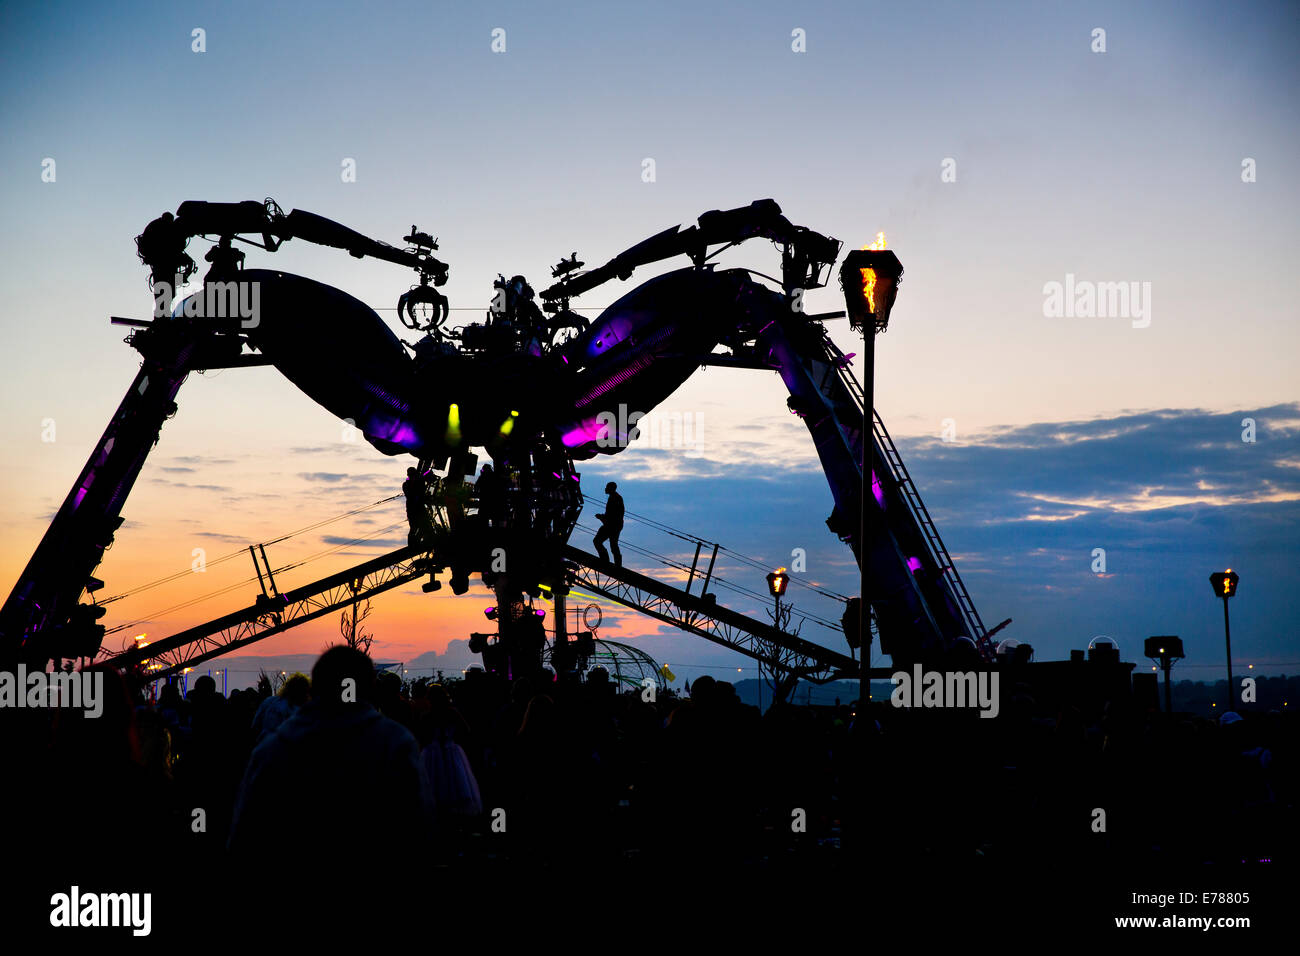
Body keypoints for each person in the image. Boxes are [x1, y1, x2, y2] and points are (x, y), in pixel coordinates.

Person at [593, 481, 623, 566]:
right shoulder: (615, 497)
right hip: (614, 525)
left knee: (598, 541)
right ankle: (616, 564)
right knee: (613, 544)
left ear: (611, 488)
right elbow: (612, 514)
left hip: (612, 525)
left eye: (607, 487)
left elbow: (613, 515)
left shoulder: (615, 498)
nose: (605, 489)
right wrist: (602, 517)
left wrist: (601, 517)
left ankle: (605, 560)